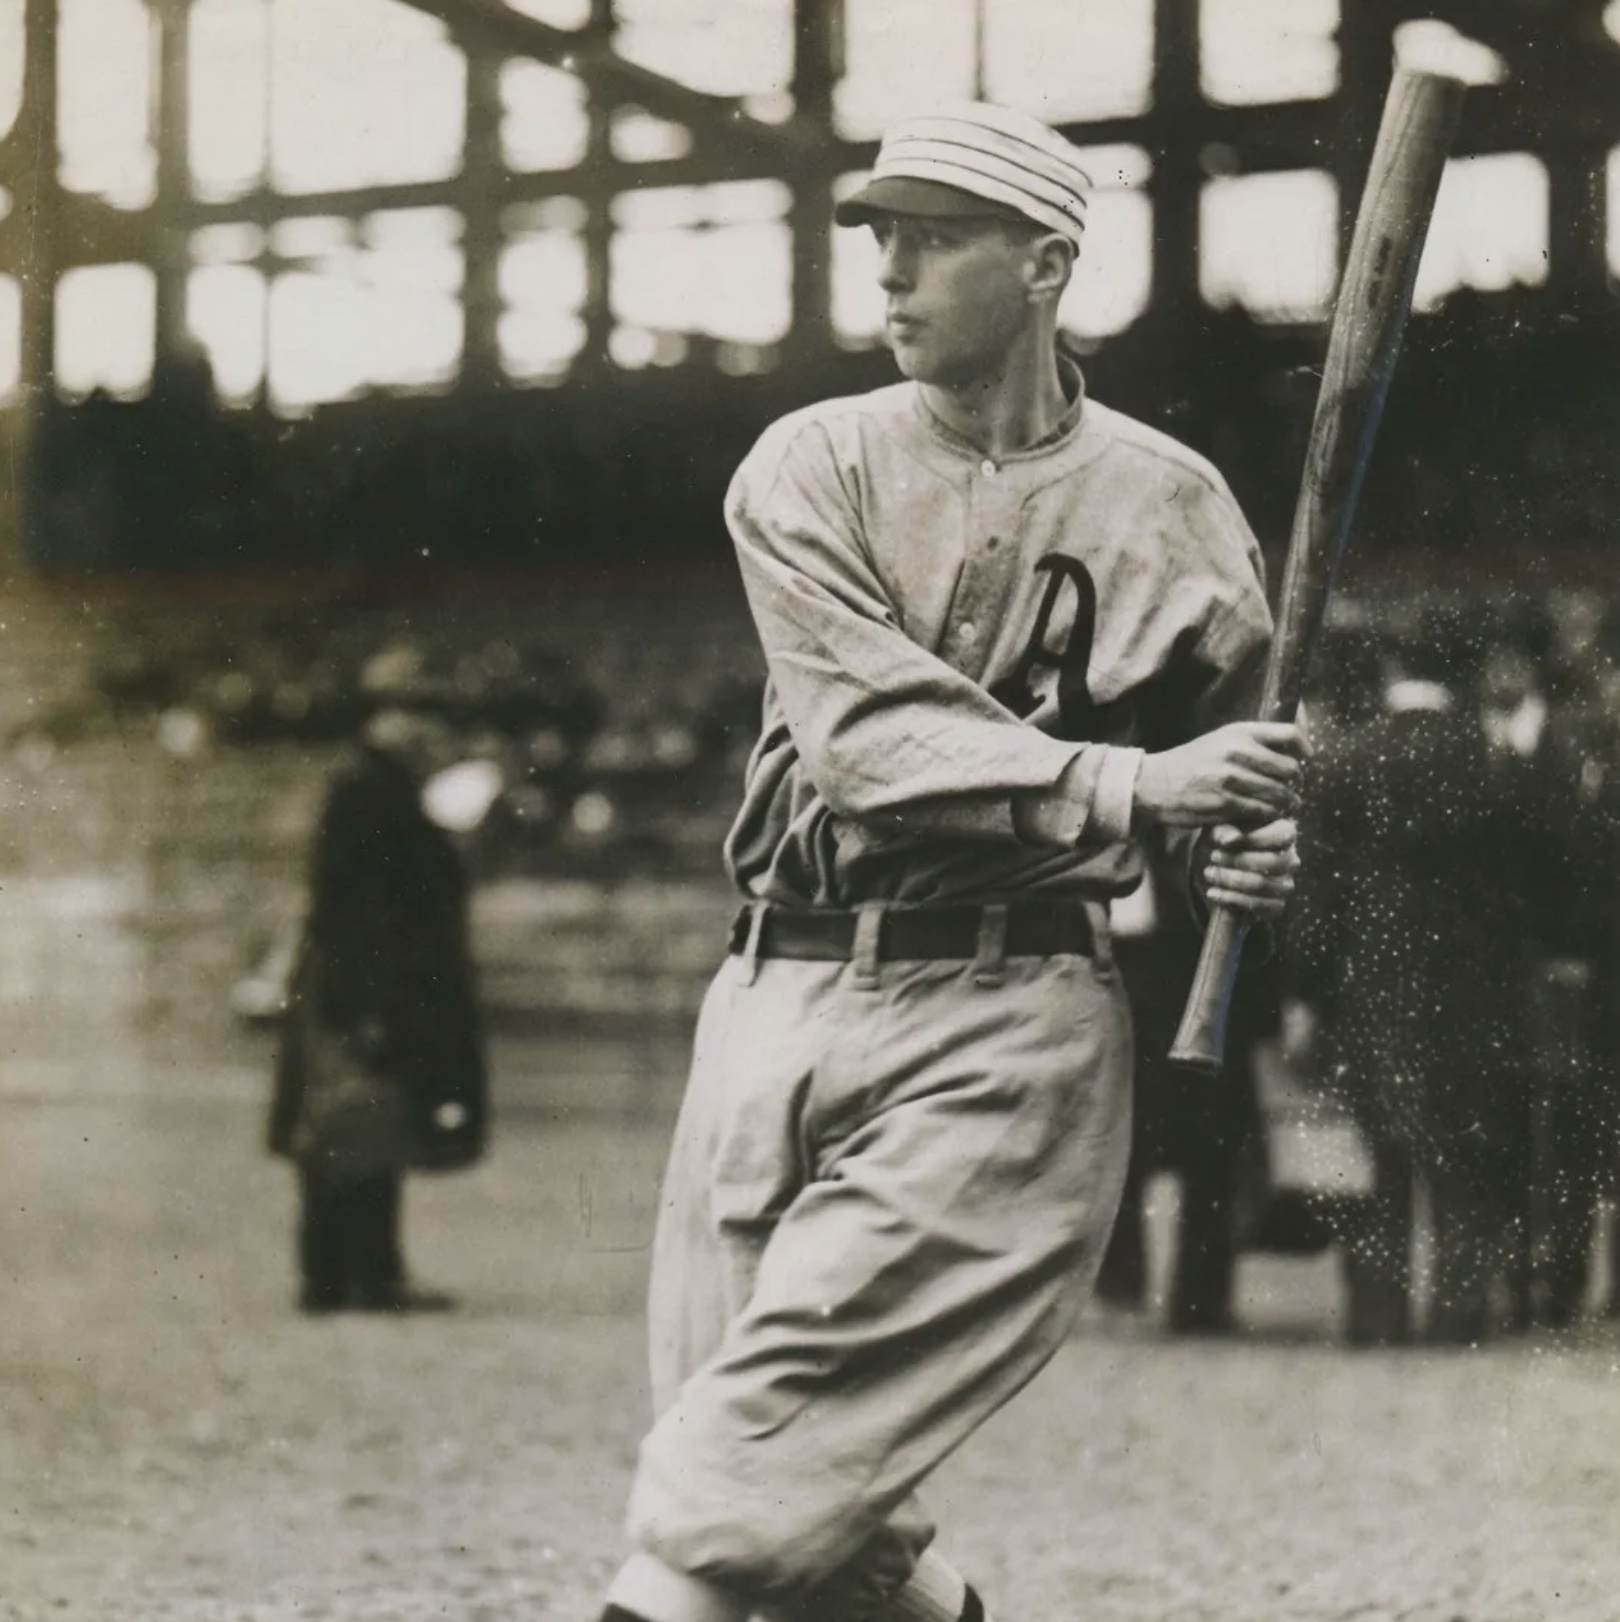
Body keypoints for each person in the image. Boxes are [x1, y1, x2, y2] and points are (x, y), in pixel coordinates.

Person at [596, 103, 1305, 1622]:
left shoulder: (1173, 506)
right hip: (770, 989)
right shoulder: (811, 462)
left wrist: (1245, 838)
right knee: (822, 1509)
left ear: (1045, 263)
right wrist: (1141, 783)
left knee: (730, 1487)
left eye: (932, 238)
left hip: (1005, 1019)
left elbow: (1222, 779)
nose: (890, 272)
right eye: (879, 237)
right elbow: (869, 744)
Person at [266, 663, 489, 1314]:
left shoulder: (380, 785)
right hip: (363, 989)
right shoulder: (368, 788)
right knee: (356, 1127)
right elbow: (356, 908)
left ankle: (345, 1274)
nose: (425, 729)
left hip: (362, 986)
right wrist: (371, 1003)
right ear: (382, 718)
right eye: (413, 714)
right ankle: (355, 1276)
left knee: (360, 1129)